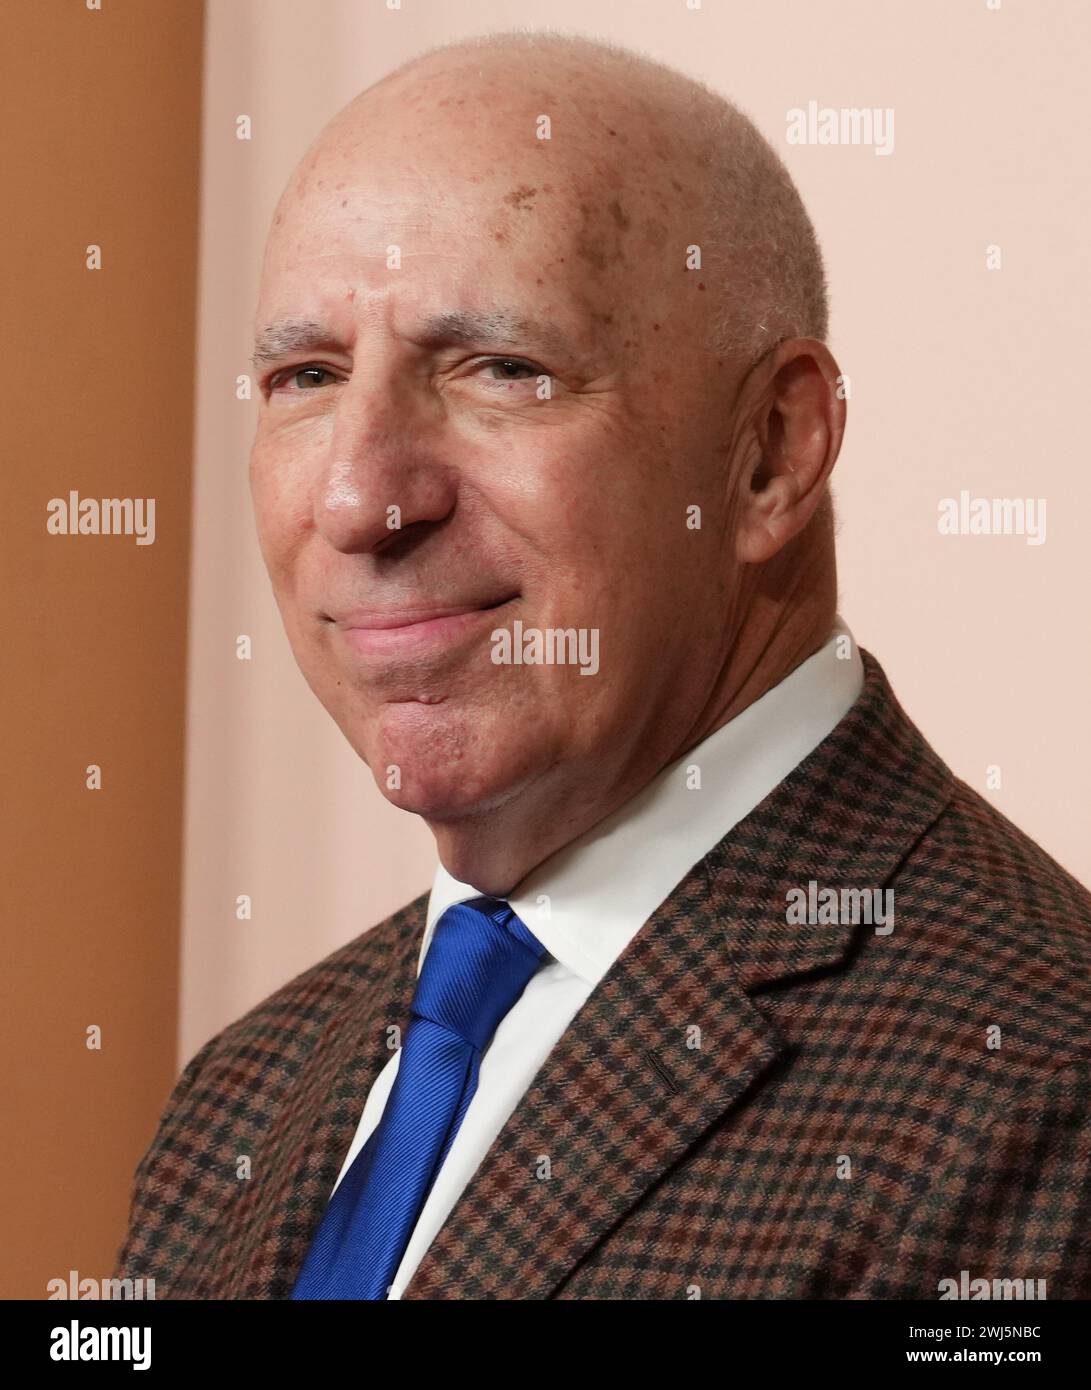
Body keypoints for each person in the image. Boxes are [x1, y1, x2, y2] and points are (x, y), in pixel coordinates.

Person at [115, 30, 1091, 1300]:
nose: (360, 497)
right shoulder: (236, 1102)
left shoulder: (1038, 1097)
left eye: (502, 370)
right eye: (305, 375)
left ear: (770, 454)